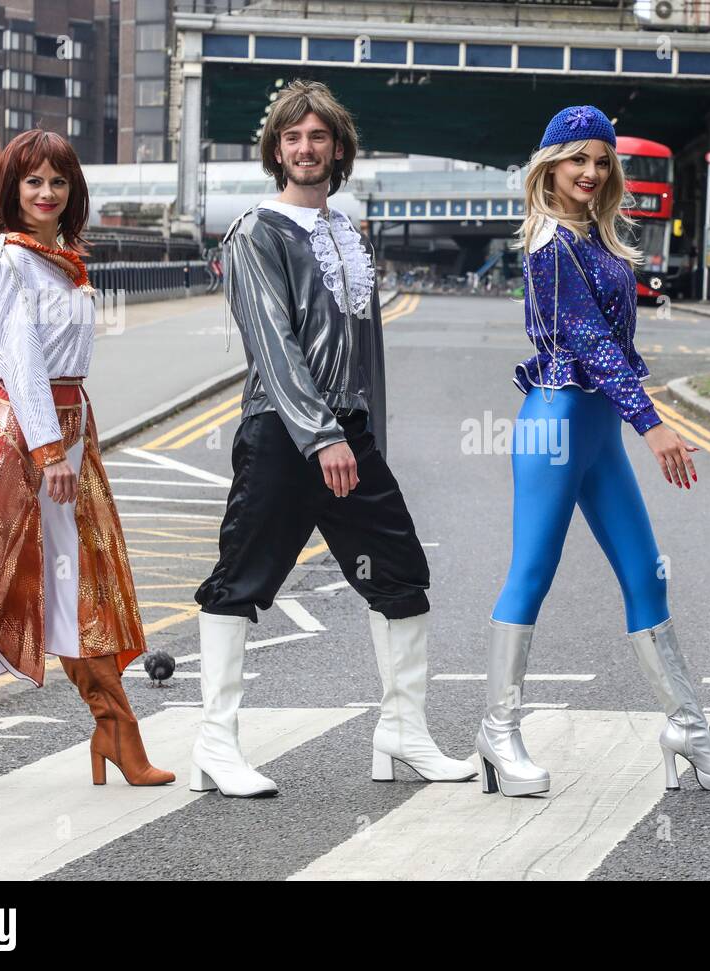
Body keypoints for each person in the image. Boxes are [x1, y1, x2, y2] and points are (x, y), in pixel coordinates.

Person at [192, 80, 474, 797]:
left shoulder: (349, 232)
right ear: (276, 150)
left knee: (401, 572)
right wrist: (320, 437)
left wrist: (362, 433)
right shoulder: (256, 232)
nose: (305, 148)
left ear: (339, 149)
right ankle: (215, 745)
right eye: (292, 137)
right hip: (284, 433)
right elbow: (273, 344)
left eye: (318, 136)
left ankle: (403, 732)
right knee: (242, 579)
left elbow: (367, 349)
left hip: (349, 435)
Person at [474, 106, 710, 798]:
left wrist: (636, 419)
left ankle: (688, 728)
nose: (591, 172)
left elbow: (616, 345)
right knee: (532, 572)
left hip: (596, 429)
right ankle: (498, 730)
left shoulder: (595, 237)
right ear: (549, 167)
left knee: (645, 573)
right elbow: (593, 345)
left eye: (601, 161)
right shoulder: (551, 245)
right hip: (555, 422)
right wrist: (652, 424)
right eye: (578, 160)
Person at [0, 129, 172, 795]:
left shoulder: (63, 260)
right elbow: (19, 359)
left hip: (69, 431)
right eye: (33, 182)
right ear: (11, 190)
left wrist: (68, 445)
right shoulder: (8, 261)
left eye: (58, 181)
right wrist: (48, 450)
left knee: (86, 583)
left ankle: (117, 730)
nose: (47, 193)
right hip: (17, 435)